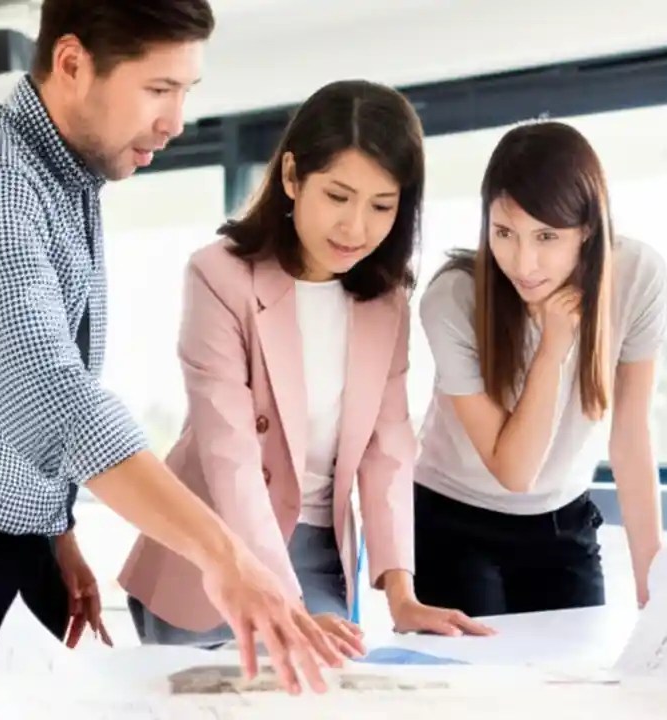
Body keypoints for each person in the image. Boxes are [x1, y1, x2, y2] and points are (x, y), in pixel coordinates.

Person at [0, 2, 341, 716]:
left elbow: (7, 386)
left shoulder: (66, 178)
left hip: (14, 543)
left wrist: (54, 533)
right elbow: (51, 393)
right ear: (72, 64)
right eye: (158, 89)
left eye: (186, 93)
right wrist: (224, 557)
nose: (175, 121)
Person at [120, 79, 493, 651]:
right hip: (212, 555)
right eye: (338, 197)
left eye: (382, 206)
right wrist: (283, 606)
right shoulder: (219, 277)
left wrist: (402, 594)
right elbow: (230, 454)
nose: (356, 228)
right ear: (293, 178)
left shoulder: (386, 300)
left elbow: (387, 448)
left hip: (320, 552)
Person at [411, 121, 667, 618]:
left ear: (589, 228)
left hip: (563, 522)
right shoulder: (453, 299)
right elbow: (515, 470)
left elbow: (631, 435)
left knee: (571, 683)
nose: (523, 262)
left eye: (546, 236)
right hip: (452, 521)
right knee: (476, 685)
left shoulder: (638, 276)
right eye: (504, 233)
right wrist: (553, 347)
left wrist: (651, 584)